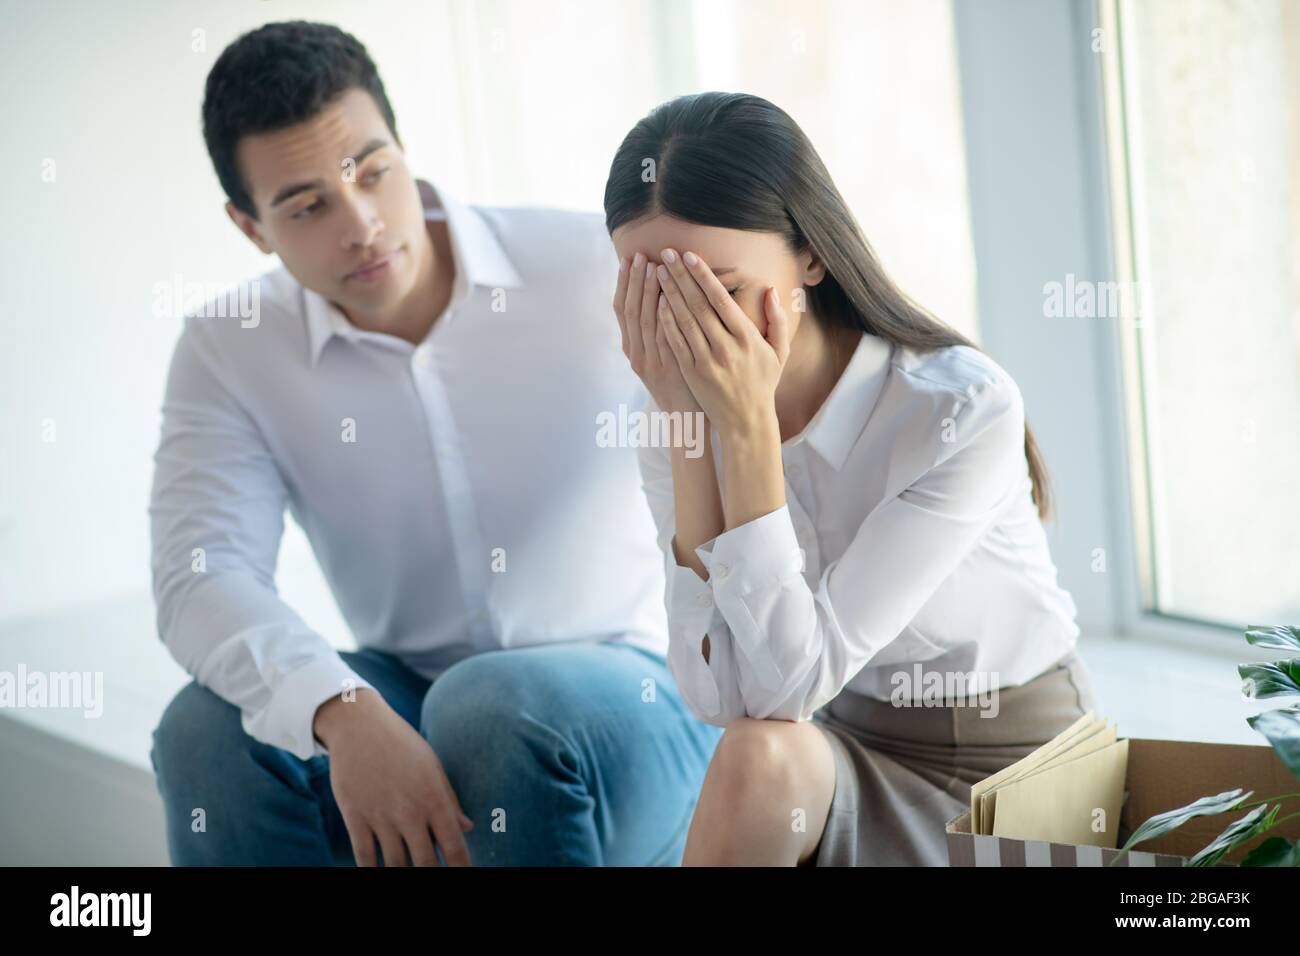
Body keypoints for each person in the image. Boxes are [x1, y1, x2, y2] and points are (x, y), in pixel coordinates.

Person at [148, 20, 723, 867]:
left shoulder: (587, 267)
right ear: (250, 227)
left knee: (488, 707)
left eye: (374, 173)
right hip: (410, 697)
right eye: (307, 207)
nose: (364, 226)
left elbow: (769, 429)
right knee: (202, 732)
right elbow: (199, 575)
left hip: (634, 695)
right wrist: (341, 707)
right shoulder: (230, 346)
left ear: (403, 147)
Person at [605, 91, 1100, 866]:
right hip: (848, 742)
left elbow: (787, 687)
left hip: (1019, 766)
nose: (694, 339)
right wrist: (693, 434)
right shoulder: (668, 410)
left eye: (722, 295)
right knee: (754, 757)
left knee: (765, 744)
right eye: (659, 300)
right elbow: (723, 703)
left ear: (811, 254)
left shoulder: (957, 408)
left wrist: (744, 430)